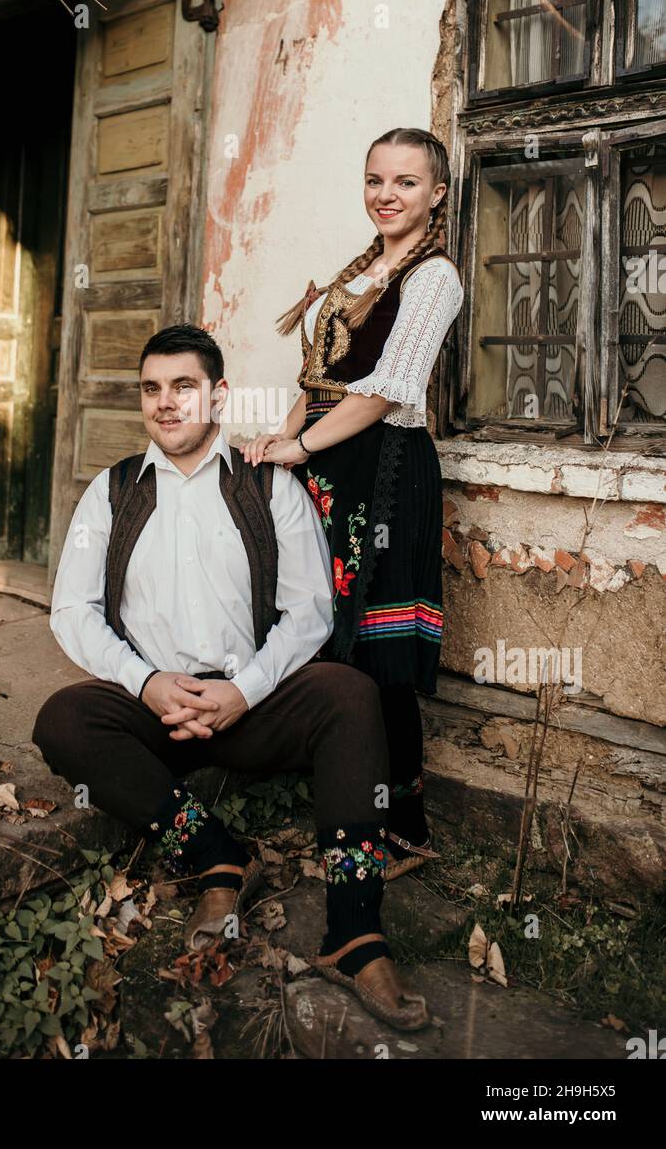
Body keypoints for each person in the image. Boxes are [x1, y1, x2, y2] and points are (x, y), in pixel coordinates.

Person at [32, 324, 429, 1029]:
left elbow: (309, 611)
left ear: (217, 394)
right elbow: (72, 610)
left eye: (183, 386)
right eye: (152, 389)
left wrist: (242, 691)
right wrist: (145, 681)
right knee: (63, 717)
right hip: (154, 709)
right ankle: (218, 859)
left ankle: (352, 929)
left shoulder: (267, 483)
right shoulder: (113, 489)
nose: (166, 403)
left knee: (348, 693)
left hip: (251, 708)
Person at [241, 128, 463, 880]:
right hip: (328, 464)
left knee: (379, 652)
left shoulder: (434, 279)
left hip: (386, 469)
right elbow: (318, 377)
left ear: (436, 194)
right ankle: (338, 799)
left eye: (405, 182)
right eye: (374, 179)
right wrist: (278, 442)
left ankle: (406, 829)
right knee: (323, 633)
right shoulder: (361, 270)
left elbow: (383, 390)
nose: (385, 195)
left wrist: (303, 448)